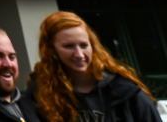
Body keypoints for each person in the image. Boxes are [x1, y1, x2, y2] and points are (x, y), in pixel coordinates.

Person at [27, 11, 159, 122]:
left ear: (93, 45)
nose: (79, 54)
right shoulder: (40, 91)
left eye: (84, 45)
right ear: (52, 50)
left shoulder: (125, 91)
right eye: (68, 46)